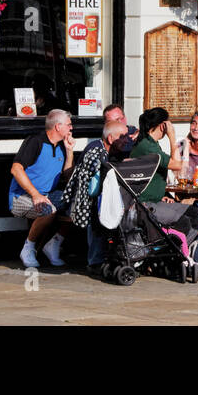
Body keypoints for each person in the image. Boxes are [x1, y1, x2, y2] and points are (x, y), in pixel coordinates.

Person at [8, 108, 75, 269]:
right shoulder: (35, 142)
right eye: (69, 125)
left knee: (80, 207)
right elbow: (16, 169)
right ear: (58, 127)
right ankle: (28, 248)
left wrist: (69, 151)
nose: (71, 128)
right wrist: (36, 195)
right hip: (22, 196)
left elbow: (67, 176)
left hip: (49, 194)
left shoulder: (61, 146)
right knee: (48, 210)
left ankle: (53, 244)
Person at [130, 107, 198, 239]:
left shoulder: (151, 144)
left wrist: (160, 195)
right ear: (163, 126)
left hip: (155, 201)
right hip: (144, 204)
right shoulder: (147, 147)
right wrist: (172, 137)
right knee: (183, 222)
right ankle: (173, 251)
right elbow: (177, 165)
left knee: (195, 214)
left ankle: (182, 251)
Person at [67, 118, 127, 276]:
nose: (125, 140)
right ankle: (94, 262)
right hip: (84, 201)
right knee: (98, 213)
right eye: (122, 136)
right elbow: (88, 187)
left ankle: (108, 257)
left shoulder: (108, 150)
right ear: (110, 138)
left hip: (97, 197)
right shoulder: (95, 150)